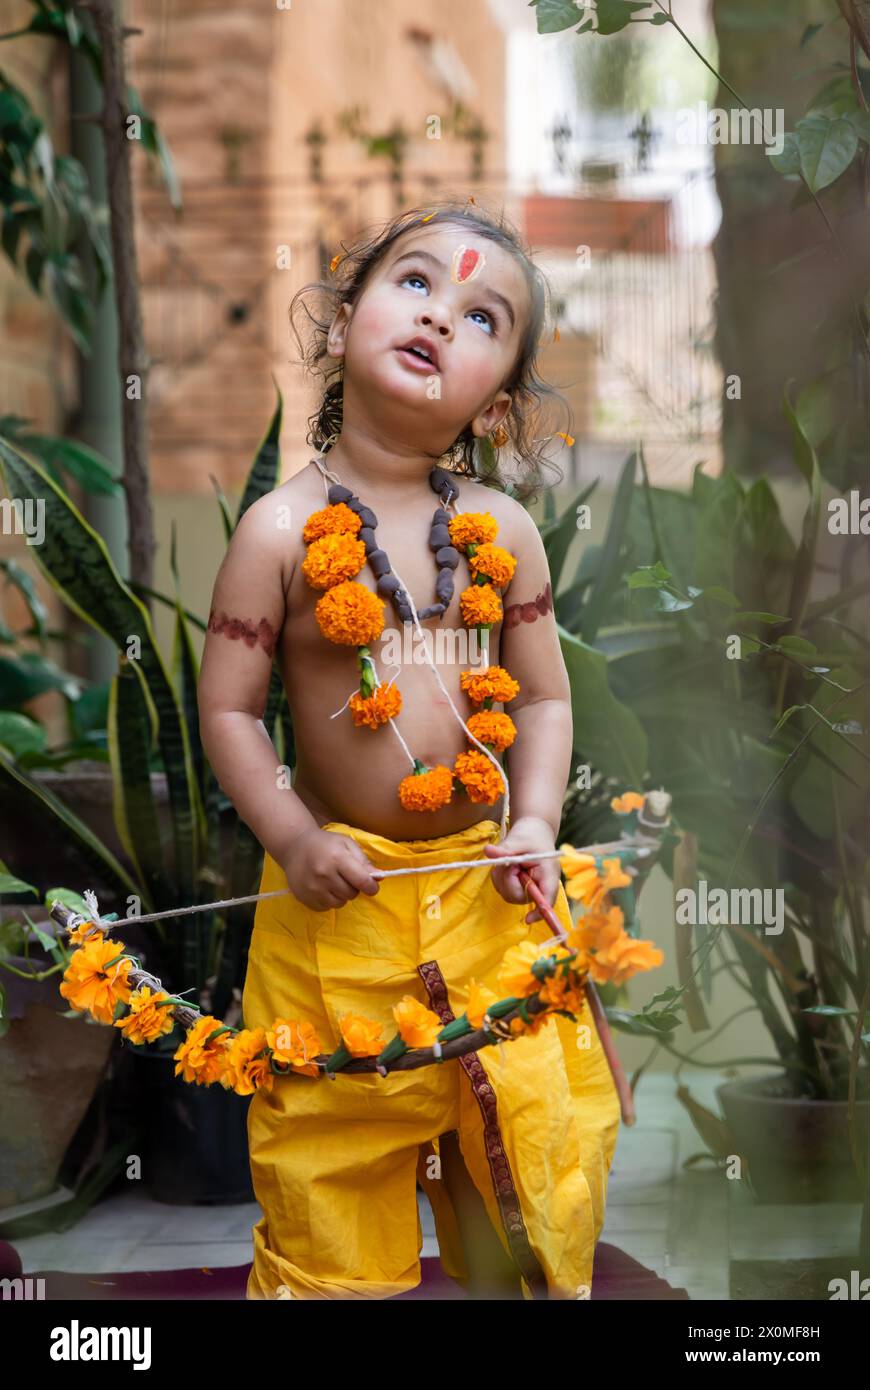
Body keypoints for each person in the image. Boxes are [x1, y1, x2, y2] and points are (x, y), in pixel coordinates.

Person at [197, 200, 621, 1300]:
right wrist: (290, 836)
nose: (442, 314)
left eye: (484, 314)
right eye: (417, 283)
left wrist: (531, 822)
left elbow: (540, 700)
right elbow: (232, 713)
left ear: (504, 399)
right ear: (343, 324)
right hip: (334, 917)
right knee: (329, 1177)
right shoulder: (280, 531)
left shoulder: (503, 534)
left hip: (489, 897)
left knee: (525, 1168)